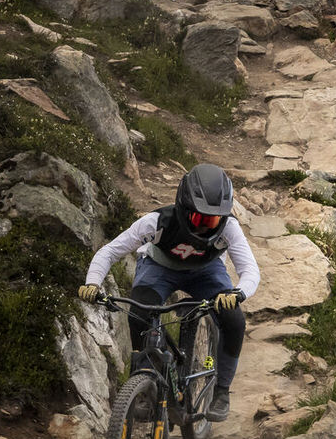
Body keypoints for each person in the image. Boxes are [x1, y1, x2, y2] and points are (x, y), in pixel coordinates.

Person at [78, 165, 258, 420]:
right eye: (200, 219)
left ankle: (222, 391)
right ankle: (144, 383)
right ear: (184, 209)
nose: (207, 227)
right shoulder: (157, 222)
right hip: (159, 267)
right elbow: (109, 252)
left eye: (213, 220)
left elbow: (250, 270)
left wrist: (238, 294)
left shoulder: (230, 227)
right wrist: (93, 283)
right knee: (139, 314)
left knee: (234, 320)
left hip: (206, 271)